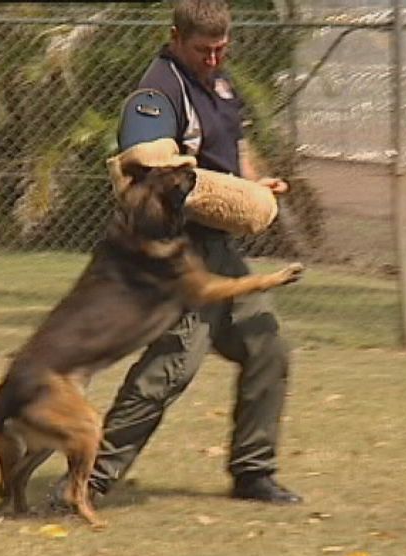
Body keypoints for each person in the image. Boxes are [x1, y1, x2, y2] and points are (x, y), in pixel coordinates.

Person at [85, 0, 302, 505]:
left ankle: (253, 473)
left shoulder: (220, 85)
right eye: (204, 50)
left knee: (266, 346)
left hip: (221, 251)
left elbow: (233, 147)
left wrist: (251, 187)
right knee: (173, 365)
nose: (213, 58)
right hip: (177, 251)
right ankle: (91, 478)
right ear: (176, 37)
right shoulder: (156, 94)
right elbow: (146, 166)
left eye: (221, 49)